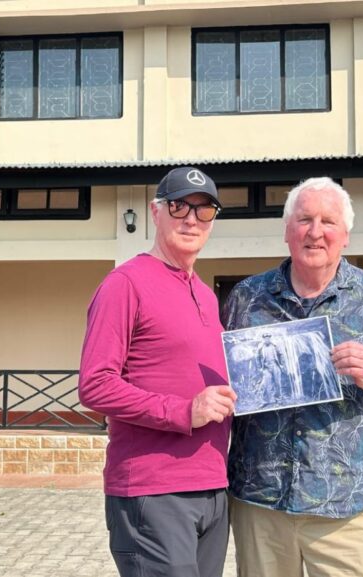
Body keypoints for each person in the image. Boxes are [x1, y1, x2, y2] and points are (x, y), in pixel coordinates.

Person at [223, 176, 363, 577]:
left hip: (347, 507)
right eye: (304, 220)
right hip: (261, 504)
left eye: (328, 221)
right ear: (286, 231)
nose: (315, 232)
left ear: (345, 234)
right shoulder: (246, 298)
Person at [79, 166, 238, 577]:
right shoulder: (124, 284)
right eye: (179, 205)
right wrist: (183, 412)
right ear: (155, 212)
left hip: (212, 488)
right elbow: (95, 385)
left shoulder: (205, 293)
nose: (191, 218)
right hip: (154, 490)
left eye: (204, 210)